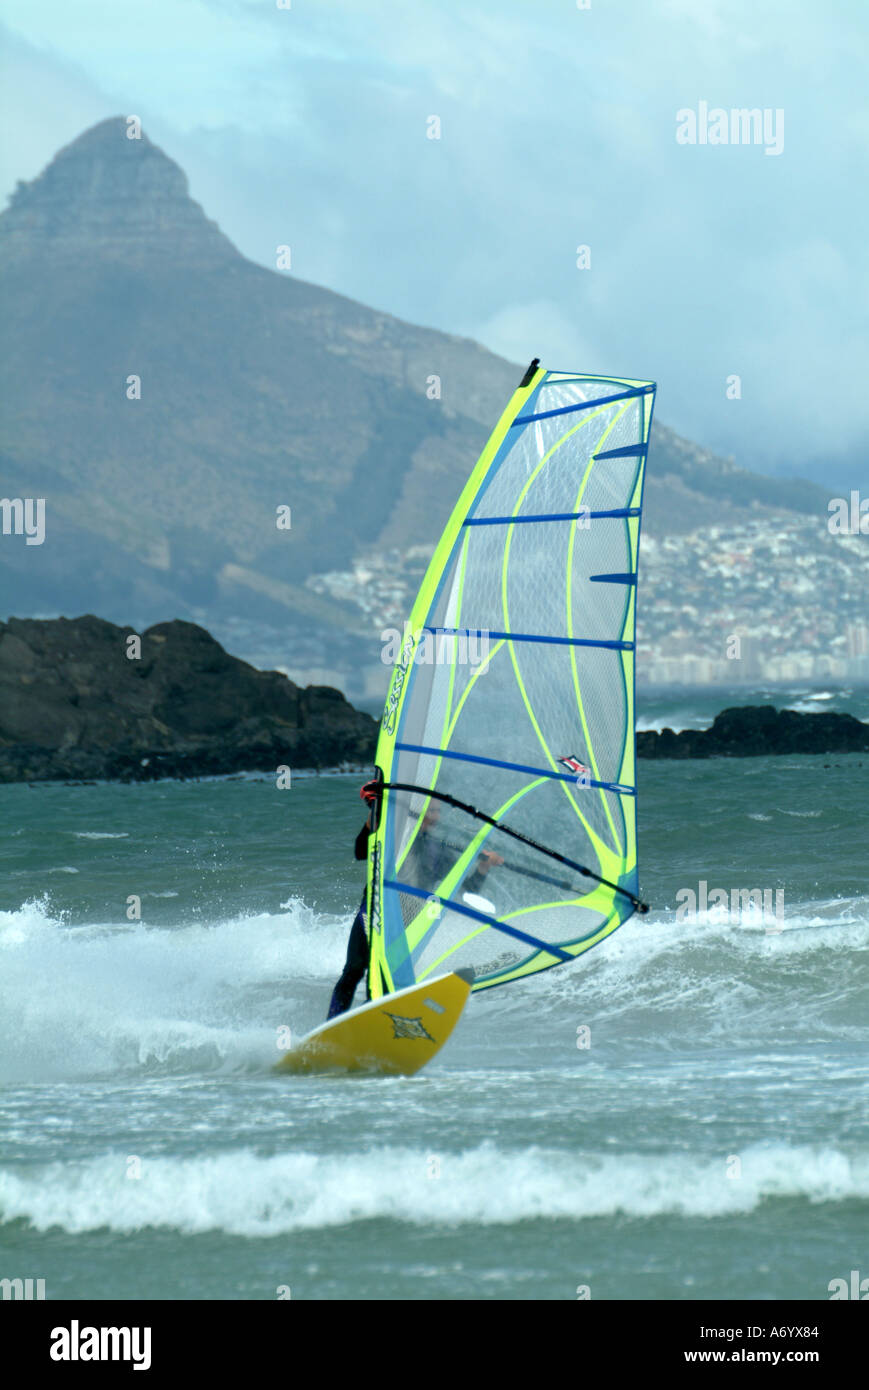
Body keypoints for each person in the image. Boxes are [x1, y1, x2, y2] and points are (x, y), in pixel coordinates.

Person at [326, 786, 503, 1020]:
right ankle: (332, 1024)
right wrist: (372, 822)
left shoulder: (438, 850)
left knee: (382, 977)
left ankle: (371, 1026)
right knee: (353, 970)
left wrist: (483, 867)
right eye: (431, 811)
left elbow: (467, 889)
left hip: (408, 917)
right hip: (375, 908)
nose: (436, 817)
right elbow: (360, 851)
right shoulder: (390, 835)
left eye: (439, 811)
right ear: (414, 812)